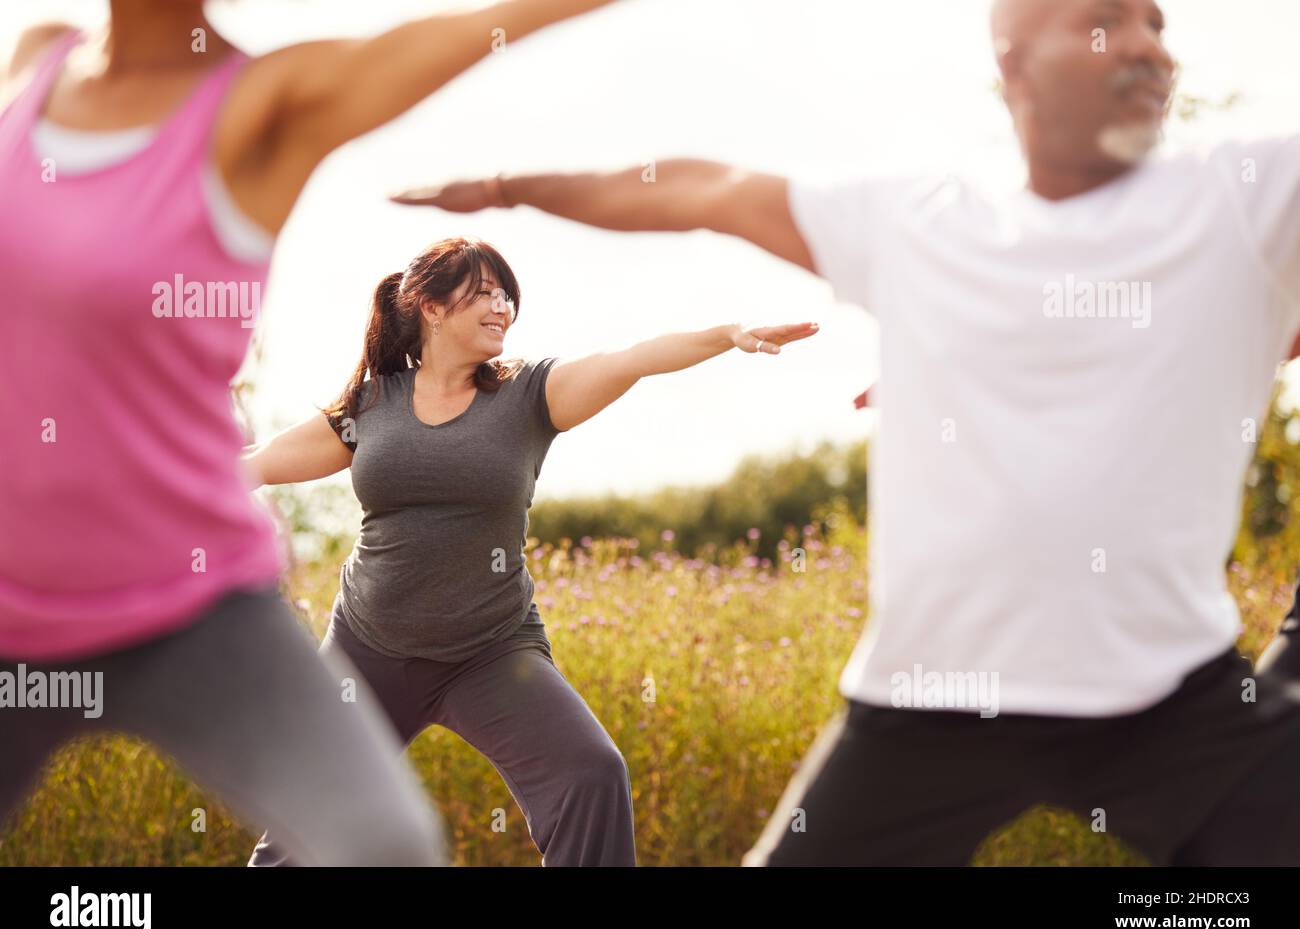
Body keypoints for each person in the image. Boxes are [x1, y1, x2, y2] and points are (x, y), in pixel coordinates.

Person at [393, 0, 1300, 865]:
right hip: (929, 705)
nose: (1148, 45)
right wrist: (510, 189)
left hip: (1173, 698)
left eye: (1159, 23)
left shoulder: (1243, 201)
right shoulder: (918, 222)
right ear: (1013, 61)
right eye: (1106, 23)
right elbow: (708, 188)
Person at [0, 0, 617, 866]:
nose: (498, 310)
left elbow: (478, 27)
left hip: (190, 603)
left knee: (381, 847)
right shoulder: (32, 62)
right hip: (11, 596)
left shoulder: (263, 102)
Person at [240, 236, 818, 865]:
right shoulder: (373, 405)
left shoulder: (528, 396)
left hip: (490, 651)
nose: (502, 307)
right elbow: (256, 465)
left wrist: (728, 332)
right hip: (369, 648)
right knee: (304, 821)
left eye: (506, 295)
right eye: (483, 291)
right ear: (430, 308)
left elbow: (632, 358)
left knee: (590, 774)